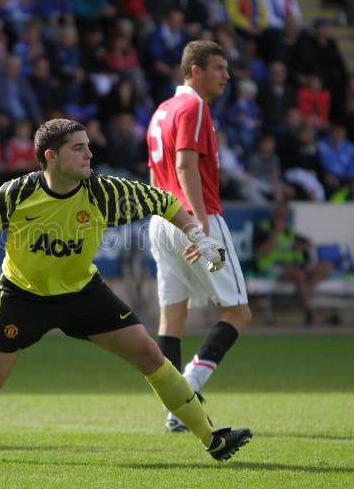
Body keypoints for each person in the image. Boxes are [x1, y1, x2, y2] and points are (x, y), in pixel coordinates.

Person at [0, 118, 251, 461]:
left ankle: (211, 439)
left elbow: (164, 202)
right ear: (51, 157)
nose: (90, 155)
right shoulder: (18, 194)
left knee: (150, 355)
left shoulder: (103, 192)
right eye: (78, 148)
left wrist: (197, 235)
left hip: (82, 293)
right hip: (24, 297)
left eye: (88, 146)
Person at [145, 40, 252, 433]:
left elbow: (157, 172)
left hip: (162, 219)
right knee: (237, 312)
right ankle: (185, 391)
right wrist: (200, 223)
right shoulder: (194, 107)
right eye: (219, 68)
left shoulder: (162, 110)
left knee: (172, 316)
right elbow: (184, 165)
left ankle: (175, 411)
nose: (227, 76)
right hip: (194, 215)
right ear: (195, 71)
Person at [253, 202, 334, 325]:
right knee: (298, 274)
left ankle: (304, 292)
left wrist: (299, 247)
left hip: (293, 264)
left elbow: (307, 244)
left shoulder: (289, 231)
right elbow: (259, 253)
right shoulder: (263, 229)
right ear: (274, 215)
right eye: (280, 215)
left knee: (327, 266)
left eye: (285, 216)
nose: (283, 219)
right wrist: (276, 233)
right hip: (272, 266)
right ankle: (309, 312)